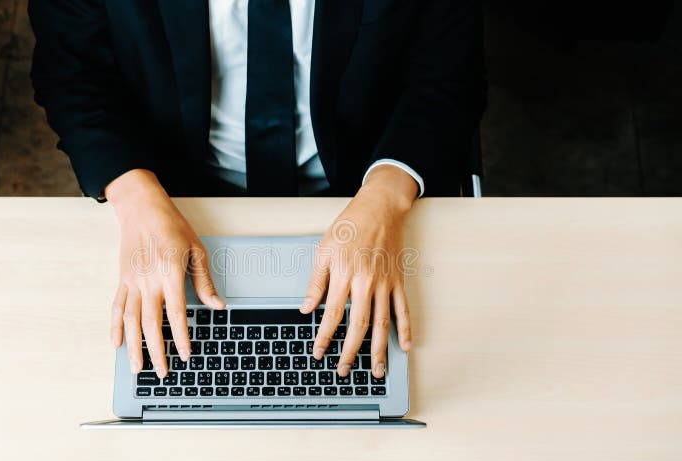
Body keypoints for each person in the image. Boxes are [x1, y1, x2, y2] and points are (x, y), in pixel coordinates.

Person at [29, 0, 486, 381]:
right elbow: (71, 71)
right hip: (176, 195)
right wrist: (133, 194)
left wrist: (387, 193)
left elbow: (450, 72)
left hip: (362, 187)